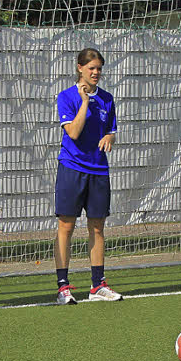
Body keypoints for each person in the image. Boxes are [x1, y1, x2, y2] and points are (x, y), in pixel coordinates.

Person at [53, 48, 122, 304]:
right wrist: (84, 102)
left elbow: (110, 130)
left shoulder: (107, 98)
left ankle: (97, 285)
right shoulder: (67, 97)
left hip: (99, 170)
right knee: (66, 226)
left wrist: (109, 136)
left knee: (97, 228)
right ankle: (63, 287)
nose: (96, 73)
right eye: (91, 68)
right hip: (72, 168)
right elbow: (73, 132)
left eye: (99, 68)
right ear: (79, 68)